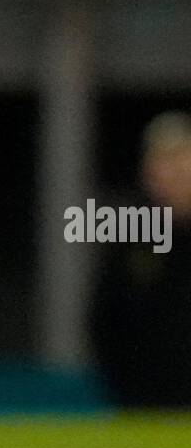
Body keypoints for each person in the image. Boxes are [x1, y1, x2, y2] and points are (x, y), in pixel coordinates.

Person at [90, 112, 191, 408]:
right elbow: (104, 319)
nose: (171, 175)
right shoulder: (132, 238)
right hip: (143, 407)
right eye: (162, 164)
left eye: (180, 163)